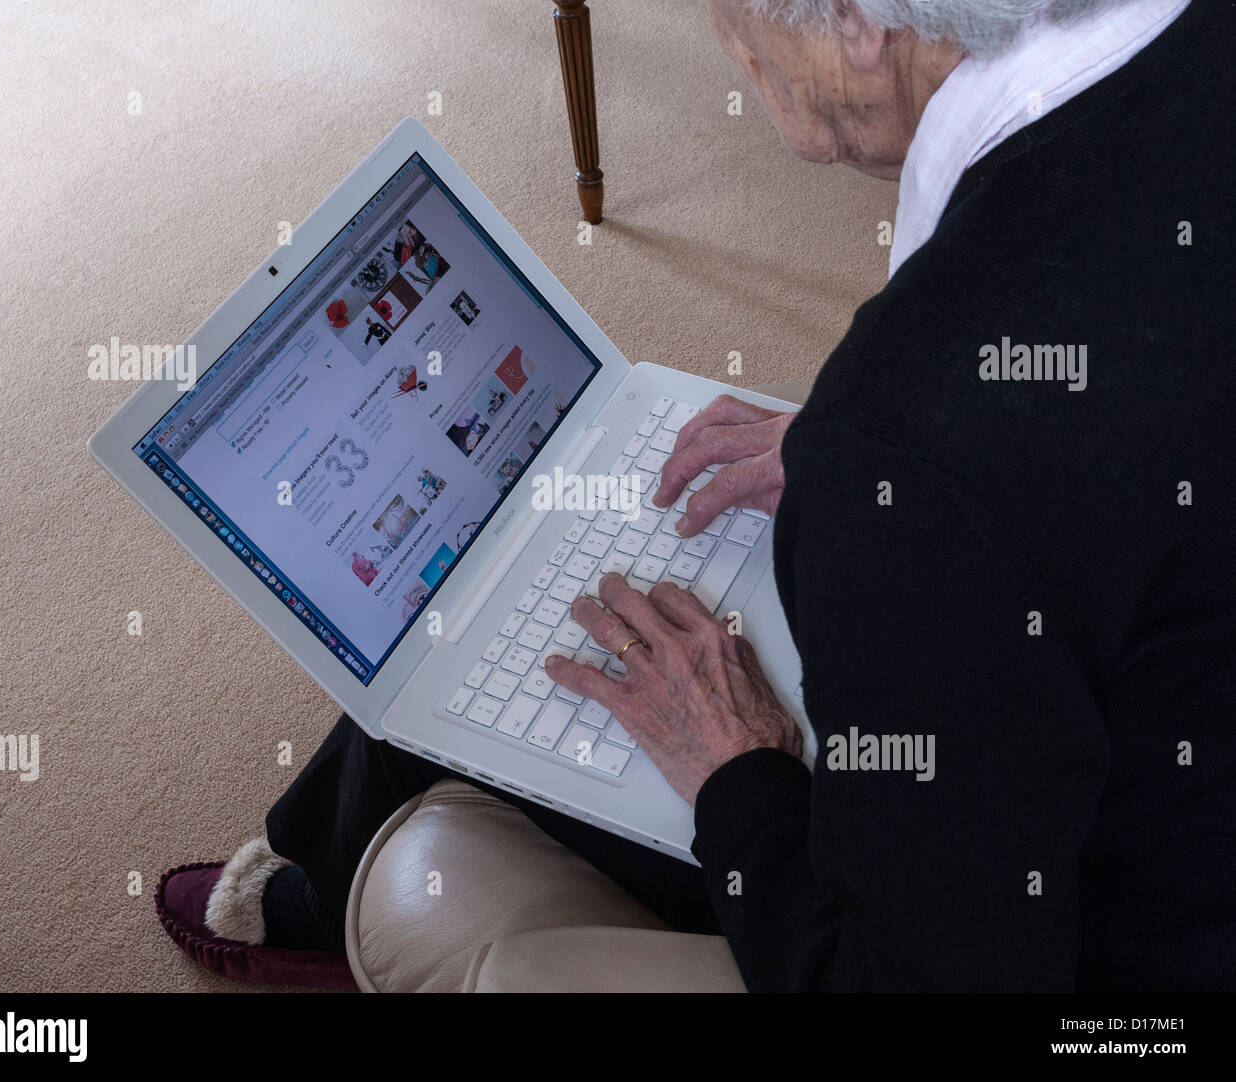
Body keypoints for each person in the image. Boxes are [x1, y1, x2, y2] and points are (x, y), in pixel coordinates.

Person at [155, 0, 1235, 991]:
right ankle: (321, 850)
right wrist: (865, 459)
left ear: (858, 22)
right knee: (473, 626)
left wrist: (741, 770)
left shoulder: (916, 445)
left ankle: (311, 893)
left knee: (508, 663)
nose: (721, 33)